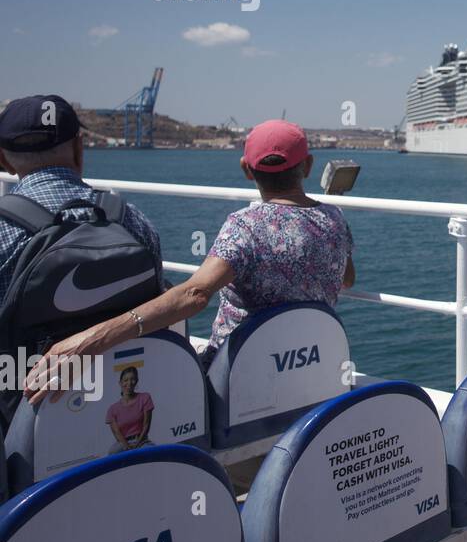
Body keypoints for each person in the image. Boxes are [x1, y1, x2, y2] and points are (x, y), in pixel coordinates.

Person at [26, 119, 356, 403]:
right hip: (312, 369)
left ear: (245, 169)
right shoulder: (335, 218)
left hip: (241, 381)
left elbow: (195, 294)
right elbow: (346, 279)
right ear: (309, 166)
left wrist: (93, 339)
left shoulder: (246, 226)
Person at [0, 95, 162, 310]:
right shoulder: (132, 220)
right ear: (79, 149)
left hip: (22, 346)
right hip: (121, 344)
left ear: (3, 161)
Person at [106, 365, 153, 453]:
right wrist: (127, 446)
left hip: (142, 441)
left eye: (133, 379)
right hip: (122, 444)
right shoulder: (112, 409)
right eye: (125, 380)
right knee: (112, 452)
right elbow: (117, 433)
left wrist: (137, 444)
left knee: (151, 451)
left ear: (136, 381)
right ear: (120, 383)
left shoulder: (145, 398)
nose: (129, 383)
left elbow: (146, 425)